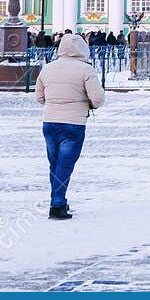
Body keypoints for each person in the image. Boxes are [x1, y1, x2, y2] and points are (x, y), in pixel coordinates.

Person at [34, 31, 105, 219]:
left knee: (55, 164)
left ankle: (58, 202)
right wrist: (86, 104)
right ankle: (57, 205)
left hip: (49, 123)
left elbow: (39, 97)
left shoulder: (47, 68)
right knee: (64, 166)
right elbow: (98, 99)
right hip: (73, 124)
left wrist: (55, 104)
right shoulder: (86, 70)